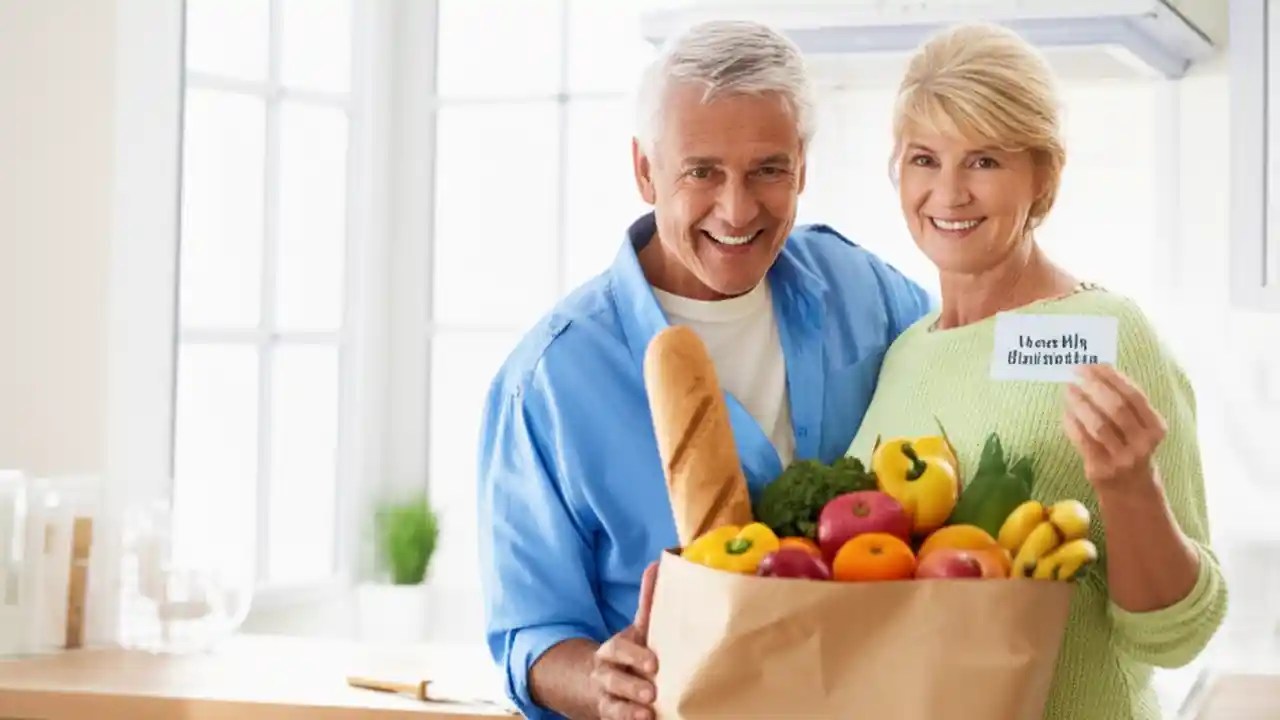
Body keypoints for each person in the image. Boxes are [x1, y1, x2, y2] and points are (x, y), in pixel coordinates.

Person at [476, 19, 932, 720]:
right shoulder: (550, 379)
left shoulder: (864, 293)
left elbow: (967, 368)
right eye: (702, 172)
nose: (738, 208)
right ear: (645, 170)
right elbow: (530, 637)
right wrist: (601, 682)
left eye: (768, 170)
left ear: (802, 167)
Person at [844, 23, 1227, 720]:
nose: (950, 193)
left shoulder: (1104, 332)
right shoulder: (907, 352)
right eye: (925, 159)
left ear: (1043, 174)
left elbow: (1178, 634)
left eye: (985, 161)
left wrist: (1129, 484)